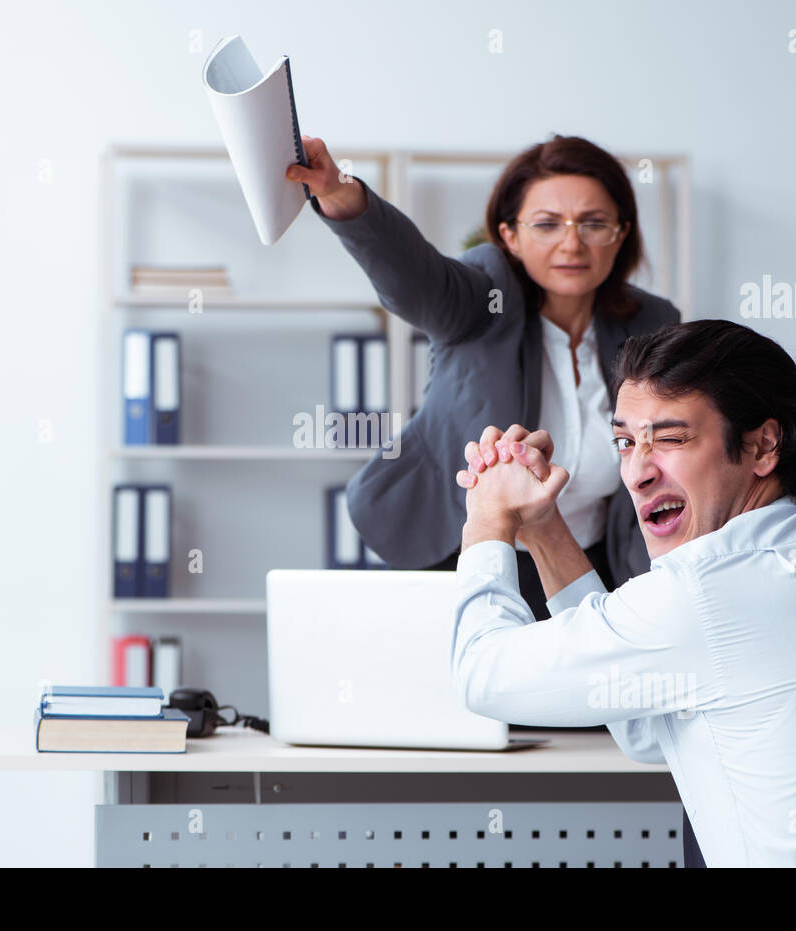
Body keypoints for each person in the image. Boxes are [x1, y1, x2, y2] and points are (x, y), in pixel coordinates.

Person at [291, 132, 704, 863]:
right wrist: (339, 194)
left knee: (593, 750)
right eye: (546, 222)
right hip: (458, 554)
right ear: (507, 235)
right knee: (444, 747)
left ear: (622, 235)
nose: (571, 240)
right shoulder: (483, 293)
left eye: (594, 221)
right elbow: (413, 279)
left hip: (587, 571)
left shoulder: (651, 322)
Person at [450, 319, 796, 866]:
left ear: (762, 446)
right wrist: (544, 529)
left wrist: (487, 518)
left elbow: (482, 675)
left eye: (670, 439)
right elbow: (645, 730)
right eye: (624, 442)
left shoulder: (710, 593)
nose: (637, 472)